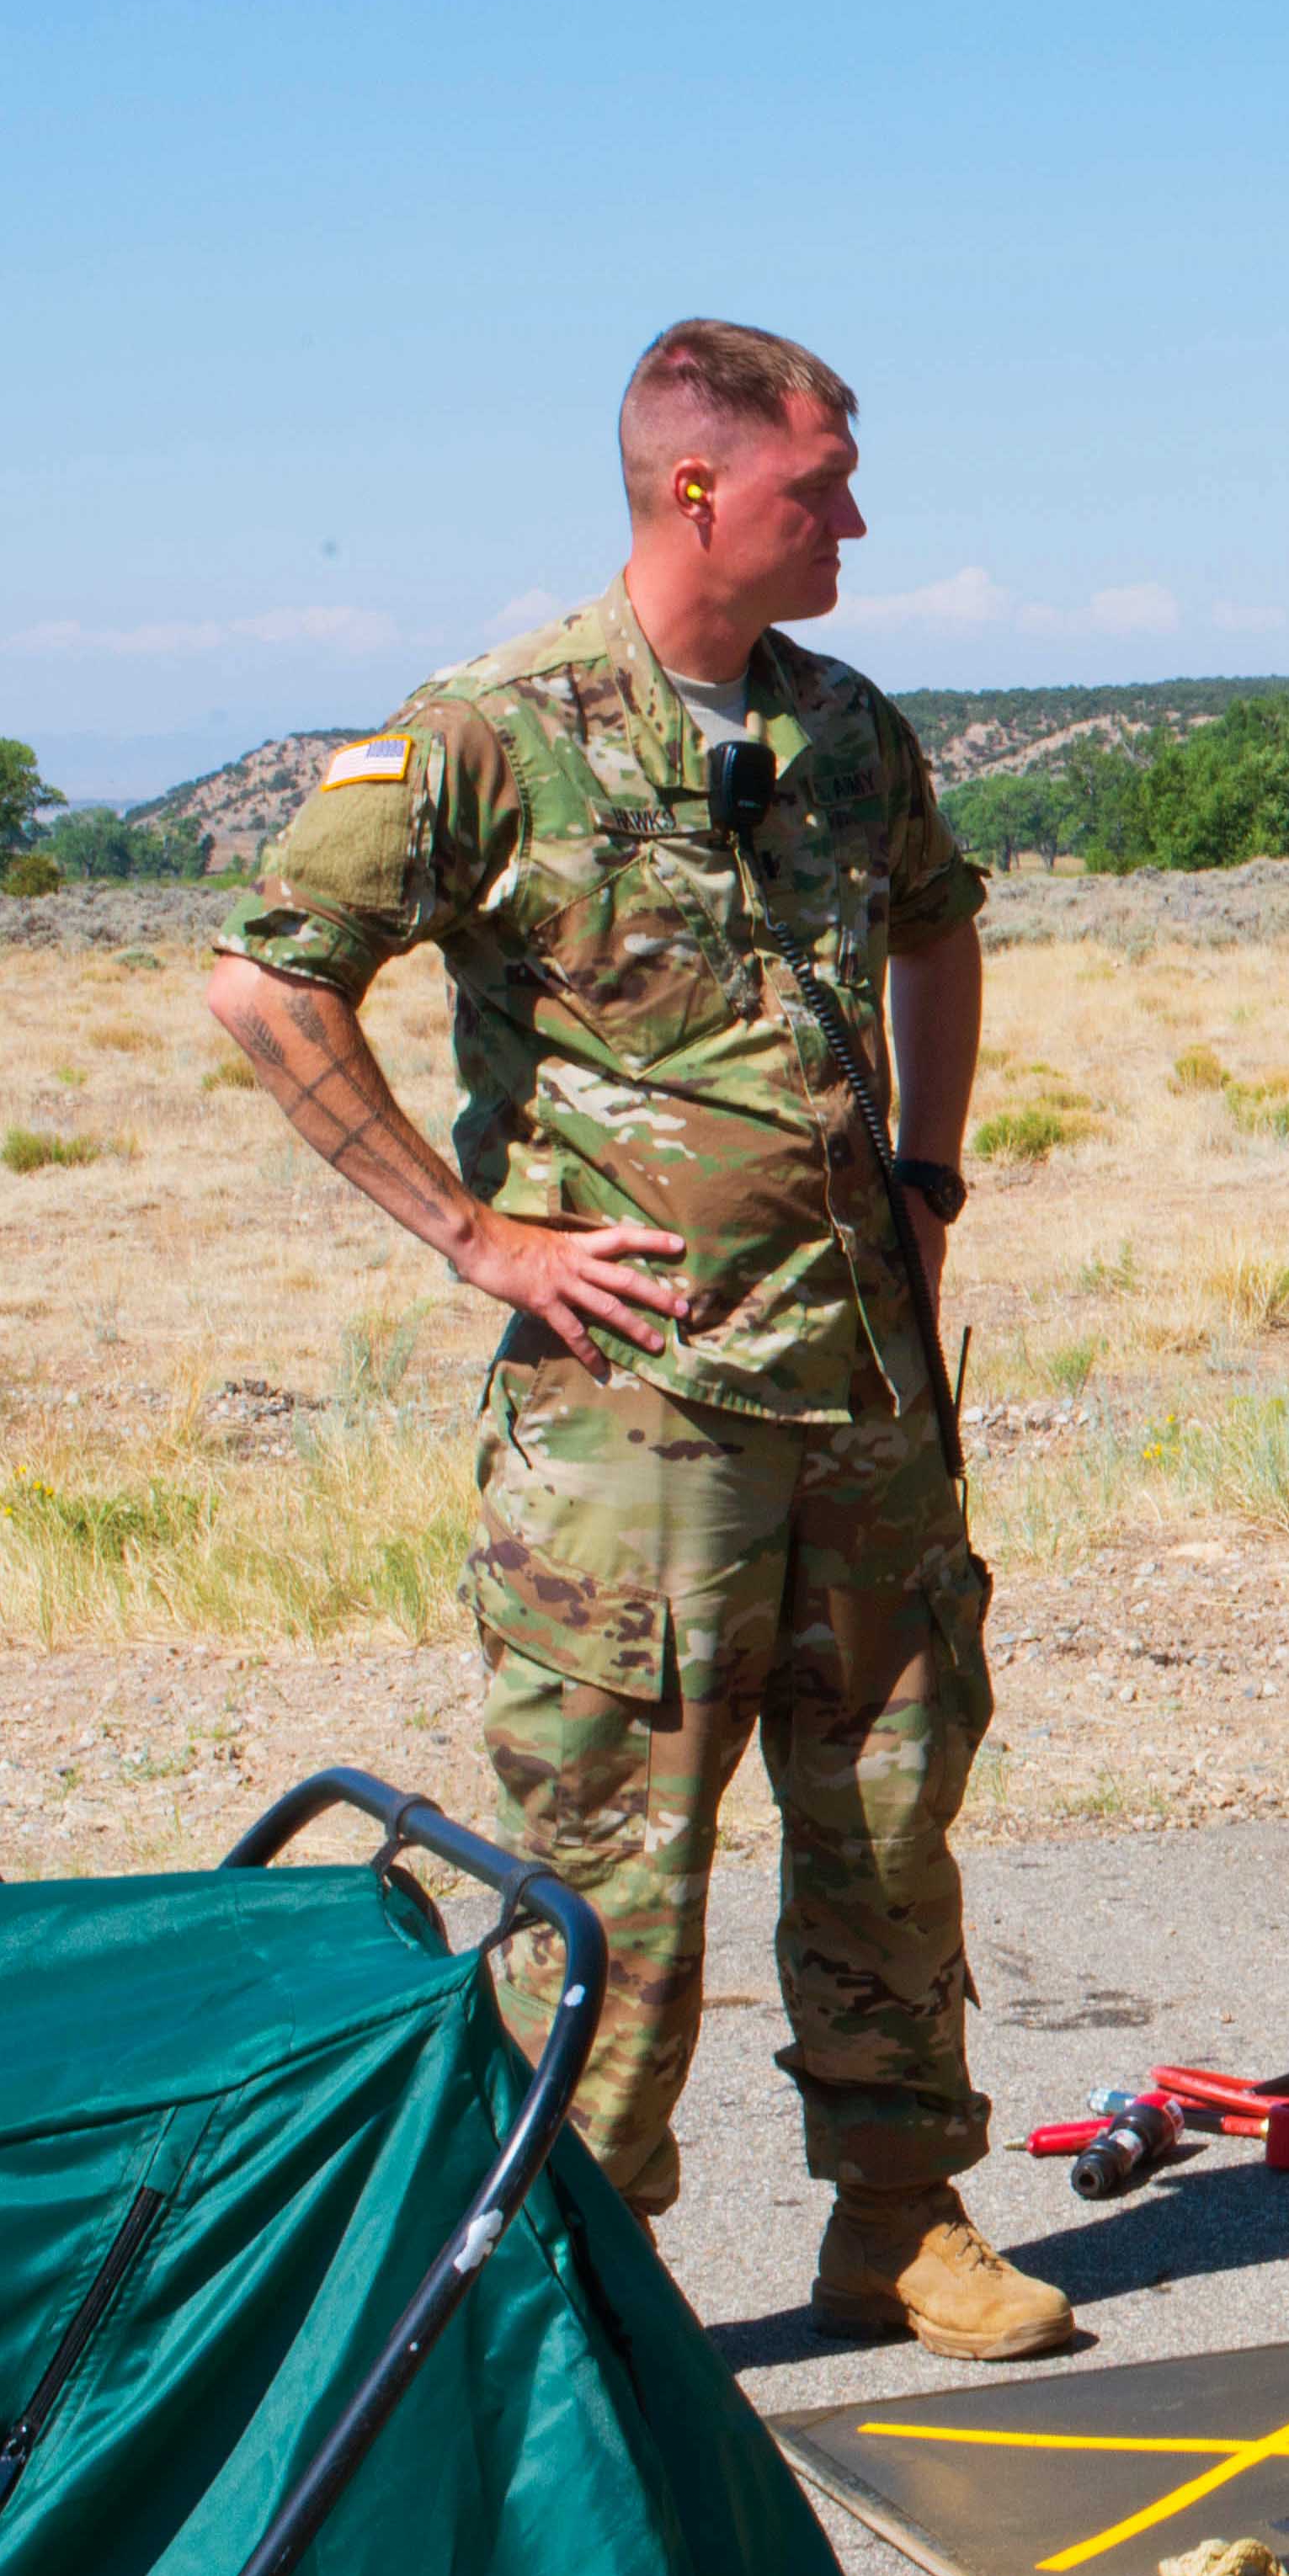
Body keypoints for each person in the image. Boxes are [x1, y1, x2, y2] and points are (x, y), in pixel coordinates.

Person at [208, 318, 1063, 2360]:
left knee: (884, 1818)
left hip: (860, 1383)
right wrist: (475, 1237)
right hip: (636, 1413)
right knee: (618, 1849)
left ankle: (899, 2215)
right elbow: (268, 990)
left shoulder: (845, 729)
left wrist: (928, 1178)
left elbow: (939, 921)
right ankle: (577, 2270)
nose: (851, 516)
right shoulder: (491, 731)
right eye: (817, 484)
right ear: (697, 489)